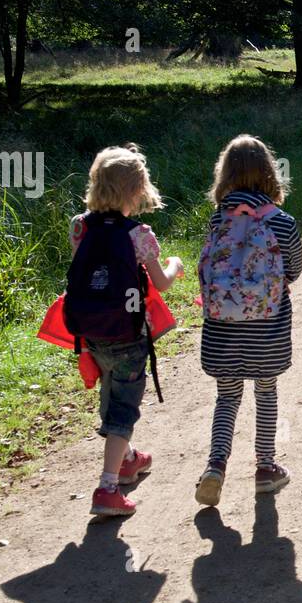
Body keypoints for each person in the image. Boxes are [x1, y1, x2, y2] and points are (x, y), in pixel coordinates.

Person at [68, 144, 184, 518]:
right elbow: (161, 283)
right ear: (136, 191)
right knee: (124, 409)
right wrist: (176, 265)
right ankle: (107, 487)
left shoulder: (79, 226)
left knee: (112, 389)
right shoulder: (139, 233)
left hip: (90, 332)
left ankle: (129, 459)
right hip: (128, 334)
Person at [195, 135, 302, 507]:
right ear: (269, 173)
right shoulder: (282, 222)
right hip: (266, 327)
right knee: (266, 391)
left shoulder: (218, 219)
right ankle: (265, 467)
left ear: (225, 175)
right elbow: (295, 269)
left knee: (226, 396)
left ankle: (215, 466)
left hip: (221, 327)